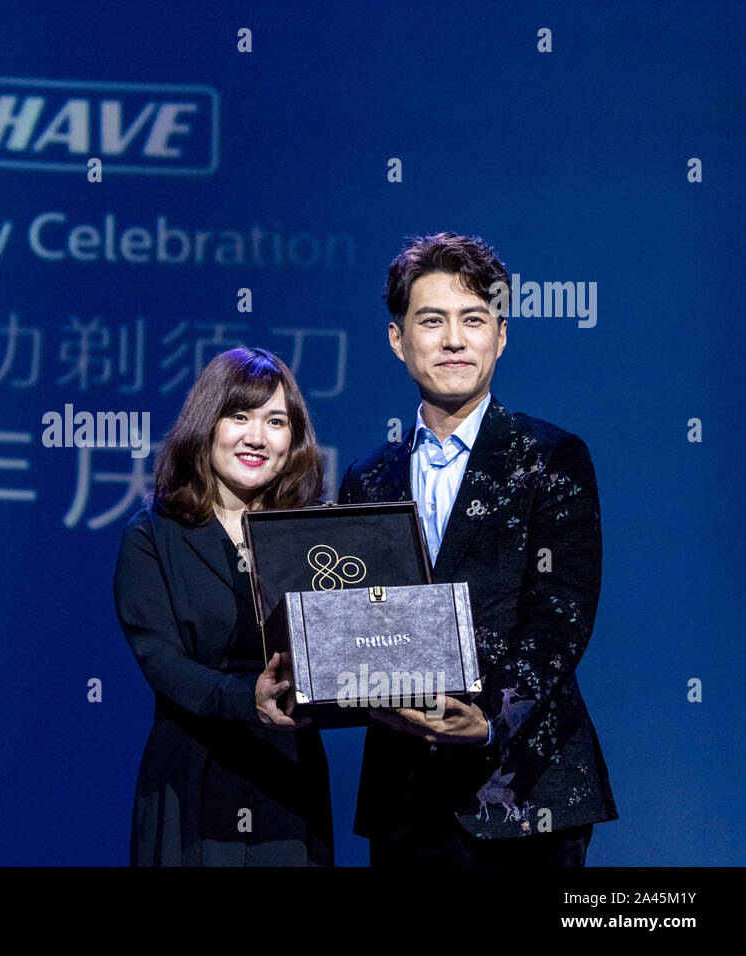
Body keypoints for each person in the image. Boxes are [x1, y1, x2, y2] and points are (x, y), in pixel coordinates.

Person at [339, 232, 618, 866]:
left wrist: (489, 716)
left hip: (527, 789)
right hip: (407, 795)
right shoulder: (368, 476)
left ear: (501, 334)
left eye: (474, 319)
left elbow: (562, 614)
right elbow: (358, 623)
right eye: (431, 320)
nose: (454, 339)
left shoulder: (551, 457)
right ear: (398, 339)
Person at [113, 346, 334, 866]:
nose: (256, 436)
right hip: (193, 774)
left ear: (293, 439)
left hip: (287, 775)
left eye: (275, 421)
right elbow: (161, 662)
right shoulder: (152, 535)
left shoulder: (318, 535)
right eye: (239, 416)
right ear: (206, 425)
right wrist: (243, 698)